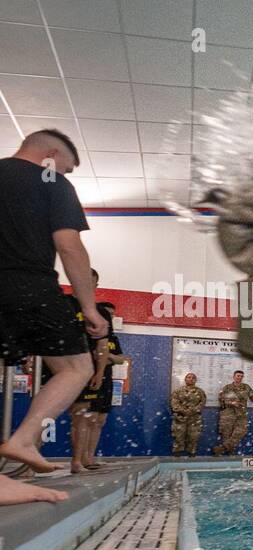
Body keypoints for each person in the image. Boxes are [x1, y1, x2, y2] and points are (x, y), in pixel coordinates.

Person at [0, 128, 106, 499]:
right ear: (50, 154)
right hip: (29, 284)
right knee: (77, 368)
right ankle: (25, 441)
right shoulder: (51, 182)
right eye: (67, 168)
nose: (65, 175)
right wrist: (89, 308)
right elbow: (69, 246)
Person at [70, 287, 125, 472]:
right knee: (86, 418)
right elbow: (97, 354)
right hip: (89, 376)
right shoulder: (90, 334)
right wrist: (107, 357)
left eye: (112, 315)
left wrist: (106, 356)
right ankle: (81, 458)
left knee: (98, 420)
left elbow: (121, 358)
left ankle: (89, 457)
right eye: (108, 314)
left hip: (106, 379)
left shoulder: (113, 338)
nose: (109, 318)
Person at [212, 370, 253, 455]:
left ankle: (222, 448)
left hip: (241, 414)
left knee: (242, 431)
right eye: (238, 376)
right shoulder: (227, 387)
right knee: (227, 434)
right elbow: (221, 399)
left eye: (241, 376)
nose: (240, 378)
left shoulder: (246, 387)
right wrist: (231, 403)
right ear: (233, 377)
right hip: (228, 414)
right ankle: (230, 452)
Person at [169, 372, 206, 456]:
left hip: (195, 419)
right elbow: (174, 404)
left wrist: (193, 410)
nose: (191, 379)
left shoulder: (200, 392)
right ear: (185, 379)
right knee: (178, 436)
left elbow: (202, 403)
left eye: (193, 378)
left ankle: (191, 453)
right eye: (188, 377)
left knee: (194, 437)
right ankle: (177, 453)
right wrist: (184, 411)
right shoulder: (178, 391)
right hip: (180, 418)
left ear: (195, 380)